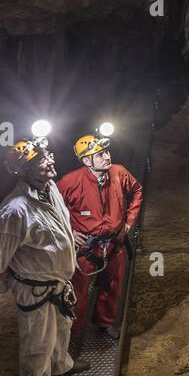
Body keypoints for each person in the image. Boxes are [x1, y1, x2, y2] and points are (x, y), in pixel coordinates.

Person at [0, 139, 89, 376]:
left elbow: (58, 223)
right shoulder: (15, 210)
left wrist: (69, 238)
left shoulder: (50, 188)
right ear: (23, 171)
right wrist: (4, 282)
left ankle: (60, 365)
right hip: (35, 286)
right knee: (38, 339)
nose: (49, 162)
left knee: (61, 328)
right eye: (39, 161)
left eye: (47, 155)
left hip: (57, 280)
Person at [57, 133, 143, 342]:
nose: (107, 156)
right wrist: (68, 231)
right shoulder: (70, 182)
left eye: (106, 152)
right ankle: (72, 333)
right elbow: (53, 208)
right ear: (87, 161)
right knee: (78, 292)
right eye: (100, 154)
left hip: (114, 244)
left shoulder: (118, 172)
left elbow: (137, 191)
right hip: (86, 248)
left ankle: (104, 323)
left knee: (112, 285)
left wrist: (129, 222)